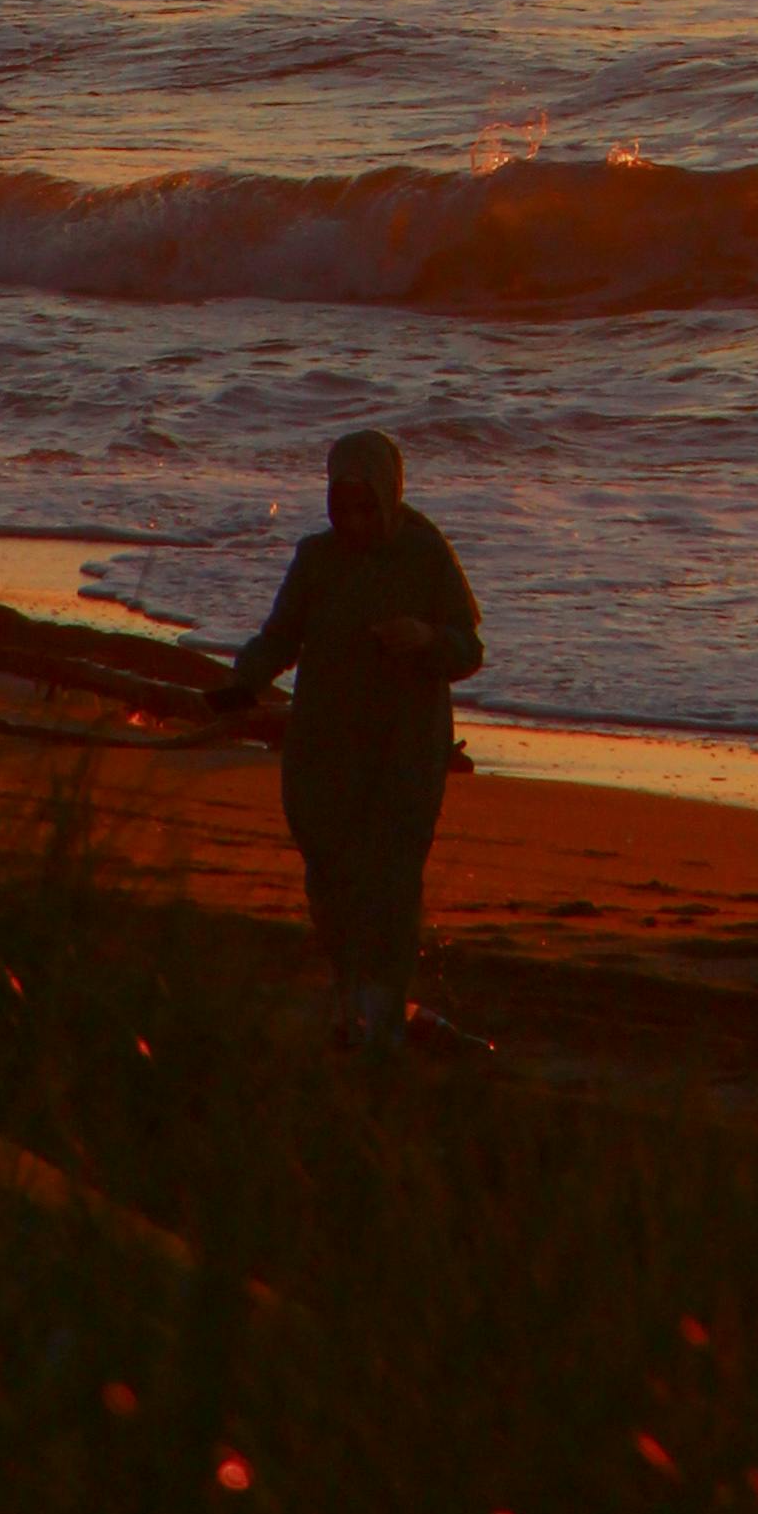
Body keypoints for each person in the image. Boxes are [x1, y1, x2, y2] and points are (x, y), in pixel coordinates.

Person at [214, 428, 483, 1053]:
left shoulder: (425, 555)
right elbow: (280, 637)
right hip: (325, 743)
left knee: (392, 882)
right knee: (332, 878)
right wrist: (242, 682)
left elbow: (468, 648)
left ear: (390, 497)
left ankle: (384, 1014)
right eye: (343, 508)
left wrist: (425, 638)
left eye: (367, 507)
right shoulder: (316, 559)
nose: (355, 522)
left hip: (406, 747)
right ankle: (348, 997)